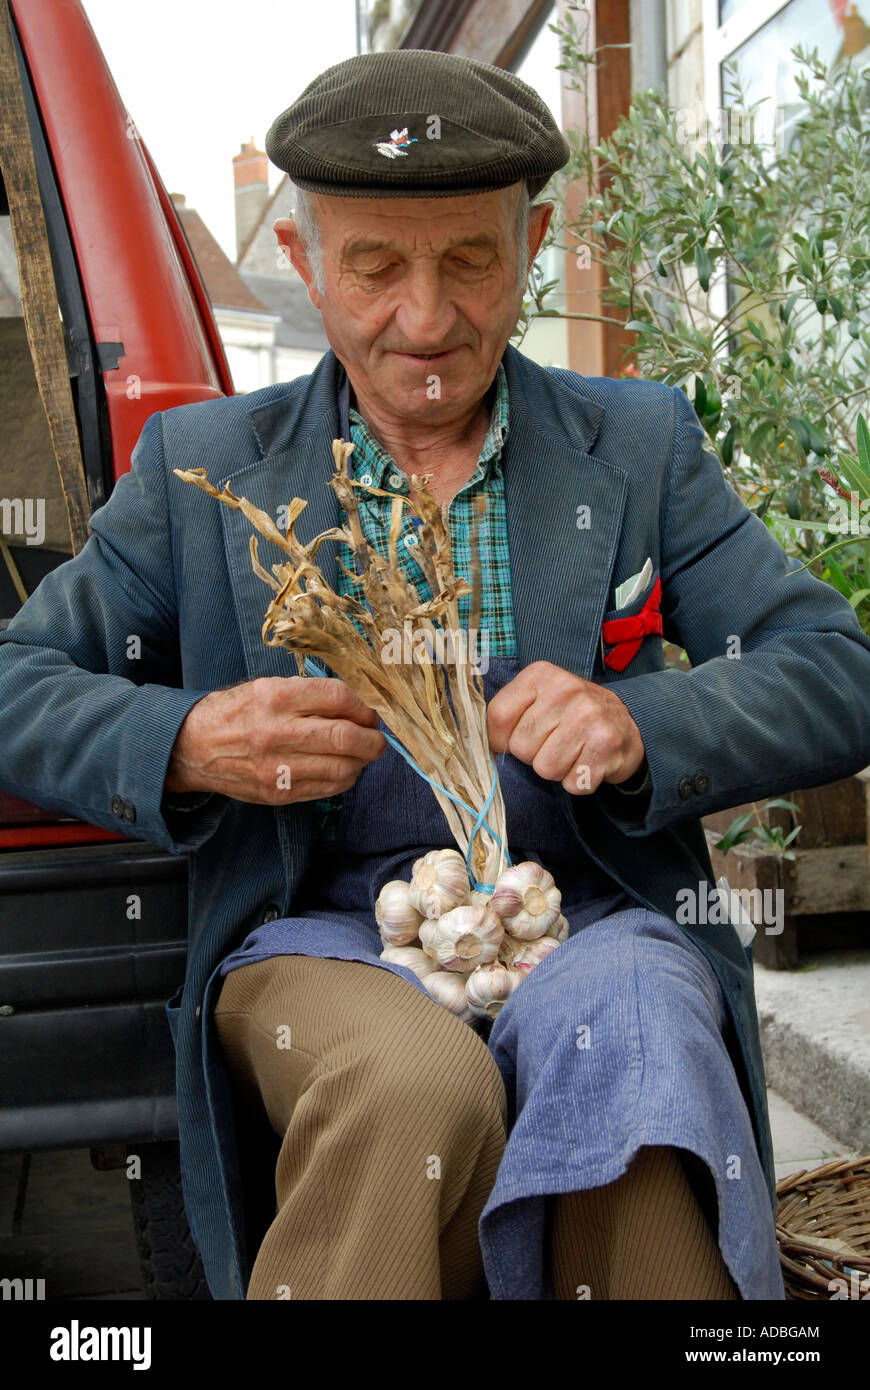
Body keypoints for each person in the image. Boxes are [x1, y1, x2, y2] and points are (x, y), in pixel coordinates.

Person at [2, 49, 869, 1302]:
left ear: (538, 239)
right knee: (409, 1079)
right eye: (374, 267)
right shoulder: (200, 470)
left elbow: (837, 671)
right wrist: (190, 739)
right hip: (317, 939)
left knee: (634, 1033)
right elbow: (19, 684)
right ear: (303, 263)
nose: (427, 319)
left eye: (472, 259)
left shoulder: (637, 444)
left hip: (592, 918)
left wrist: (639, 717)